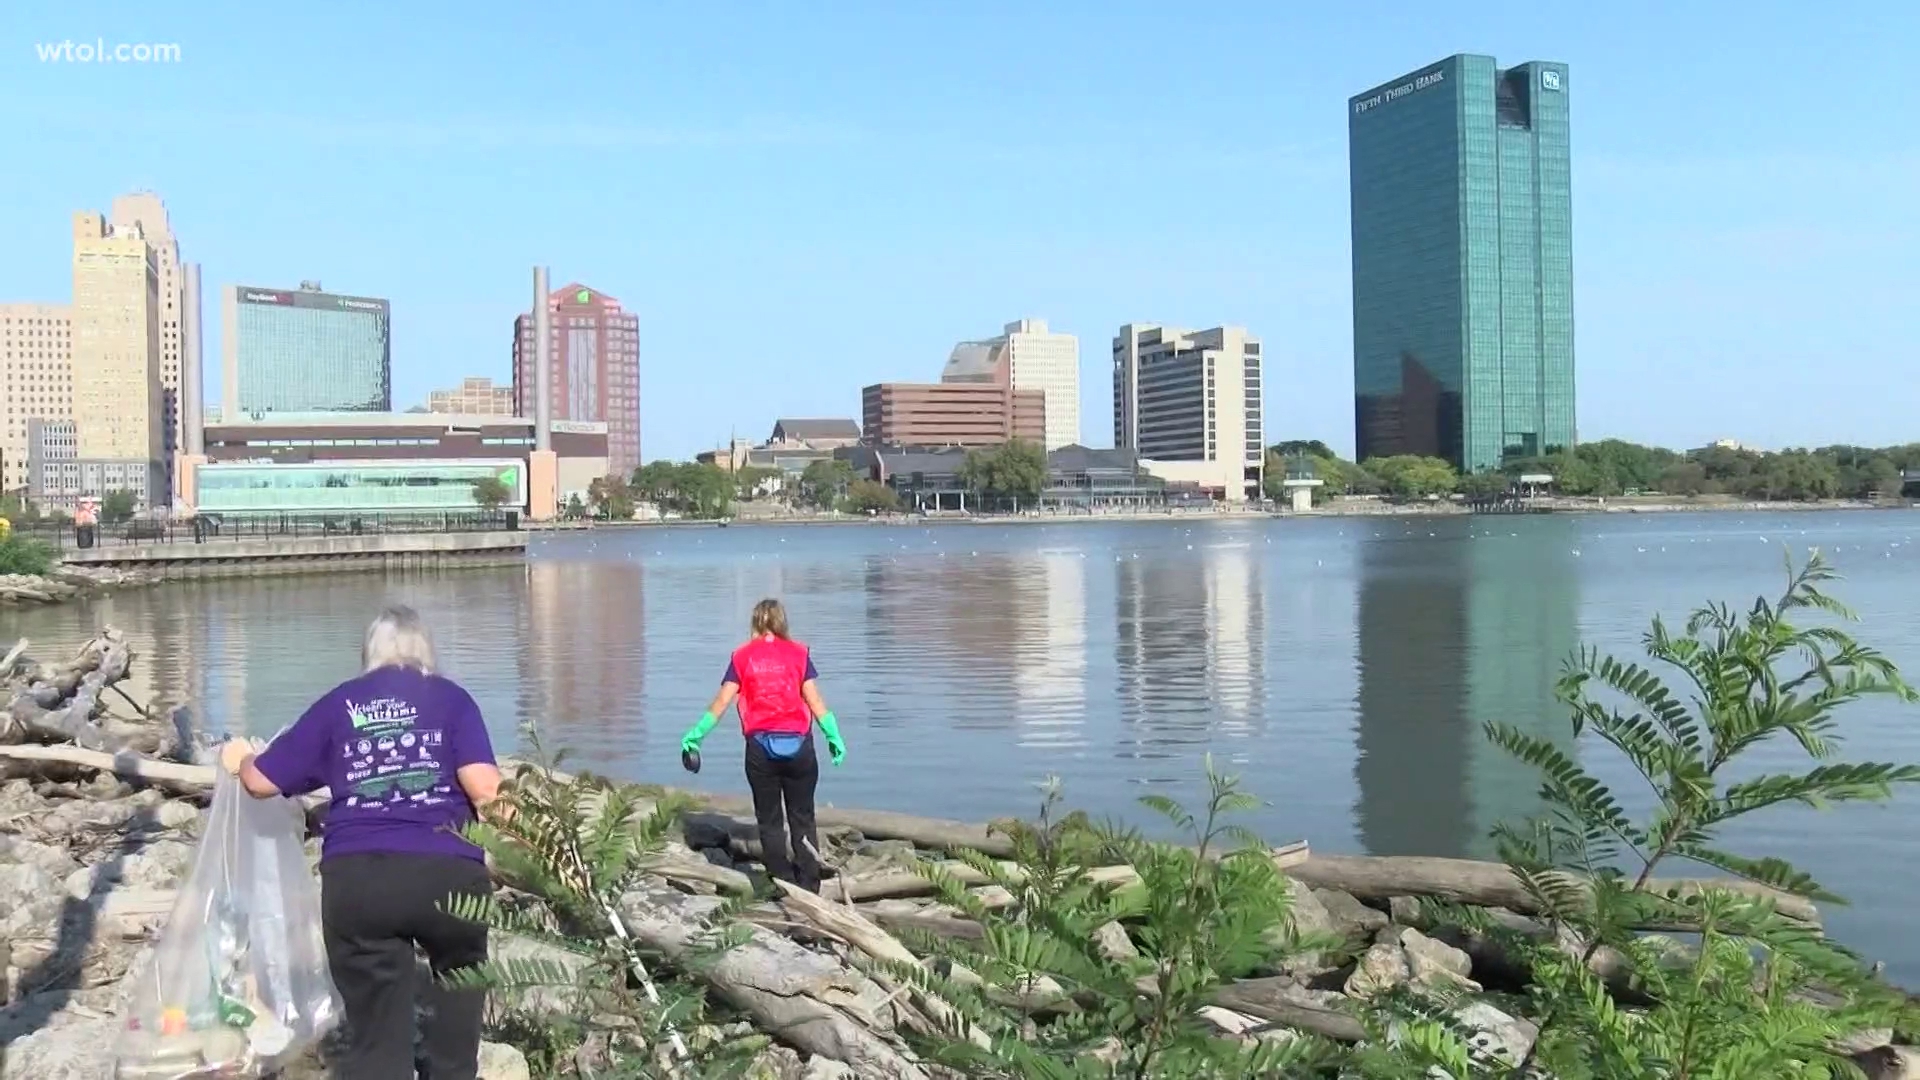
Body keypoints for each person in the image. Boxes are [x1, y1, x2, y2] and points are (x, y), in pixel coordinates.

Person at [219, 605, 502, 1080]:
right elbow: (486, 791)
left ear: (368, 653)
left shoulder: (340, 704)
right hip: (448, 871)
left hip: (359, 877)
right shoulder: (452, 700)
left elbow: (262, 781)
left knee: (375, 1035)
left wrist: (241, 758)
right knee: (461, 977)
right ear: (426, 650)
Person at [681, 598, 846, 894]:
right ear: (782, 621)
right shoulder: (799, 654)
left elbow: (722, 701)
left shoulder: (742, 657)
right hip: (799, 747)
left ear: (756, 622)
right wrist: (833, 736)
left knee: (769, 821)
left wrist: (695, 735)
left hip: (760, 749)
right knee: (802, 818)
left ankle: (783, 884)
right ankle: (809, 885)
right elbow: (815, 701)